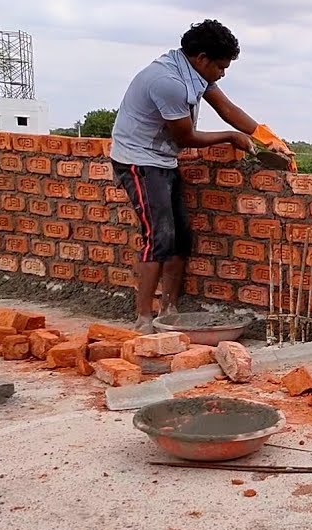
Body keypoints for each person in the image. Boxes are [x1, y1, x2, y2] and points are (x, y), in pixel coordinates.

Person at [110, 19, 295, 334]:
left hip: (162, 159)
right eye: (221, 67)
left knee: (180, 236)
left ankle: (168, 310)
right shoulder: (167, 80)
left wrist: (268, 138)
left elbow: (226, 107)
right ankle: (143, 317)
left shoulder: (194, 71)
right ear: (203, 59)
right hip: (138, 160)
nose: (222, 73)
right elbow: (186, 138)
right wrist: (231, 138)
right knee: (159, 237)